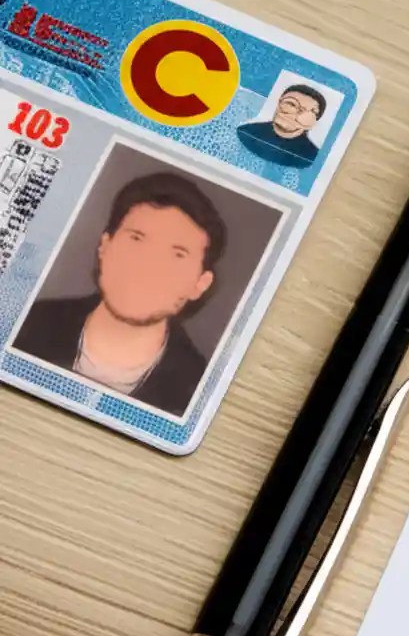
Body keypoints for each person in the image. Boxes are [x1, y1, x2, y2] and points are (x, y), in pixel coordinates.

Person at [14, 172, 226, 417]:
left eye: (177, 255)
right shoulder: (27, 322)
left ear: (200, 284)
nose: (146, 267)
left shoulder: (197, 392)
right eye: (136, 239)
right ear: (105, 246)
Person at [236, 83, 327, 167]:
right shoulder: (247, 132)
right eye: (291, 104)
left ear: (314, 122)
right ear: (278, 104)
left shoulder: (312, 157)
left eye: (309, 112)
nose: (295, 114)